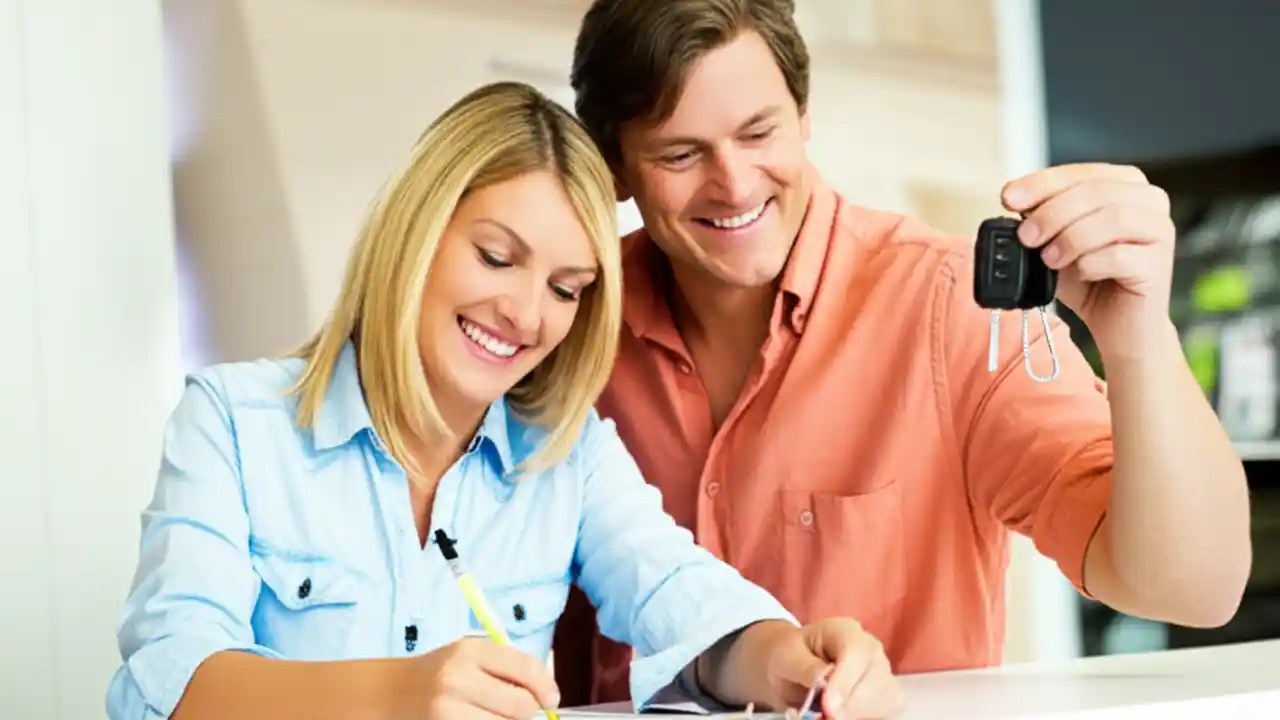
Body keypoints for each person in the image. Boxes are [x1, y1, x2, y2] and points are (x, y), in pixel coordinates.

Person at [105, 81, 905, 720]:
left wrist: (790, 660)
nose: (526, 316)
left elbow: (675, 593)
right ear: (416, 231)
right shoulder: (233, 423)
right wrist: (396, 697)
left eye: (566, 288)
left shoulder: (568, 453)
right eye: (496, 258)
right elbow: (175, 679)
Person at [551, 0, 1253, 707]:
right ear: (614, 168)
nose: (734, 184)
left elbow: (1191, 587)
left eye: (758, 132)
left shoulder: (950, 309)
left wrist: (1136, 339)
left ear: (802, 116)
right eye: (680, 153)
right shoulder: (563, 322)